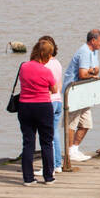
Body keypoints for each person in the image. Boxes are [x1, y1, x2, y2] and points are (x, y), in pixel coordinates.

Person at [17, 39, 58, 185]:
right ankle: (48, 177)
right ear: (45, 55)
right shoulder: (46, 71)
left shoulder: (23, 67)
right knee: (46, 142)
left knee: (28, 143)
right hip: (42, 106)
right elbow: (55, 90)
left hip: (25, 107)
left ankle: (28, 178)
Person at [63, 28, 100, 163]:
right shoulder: (85, 52)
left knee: (86, 123)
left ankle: (75, 148)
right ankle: (69, 152)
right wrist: (92, 72)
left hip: (84, 92)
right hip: (73, 91)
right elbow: (82, 74)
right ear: (93, 41)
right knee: (72, 123)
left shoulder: (94, 51)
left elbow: (96, 69)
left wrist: (91, 71)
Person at [38, 34, 63, 173]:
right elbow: (58, 84)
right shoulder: (57, 63)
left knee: (46, 136)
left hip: (49, 101)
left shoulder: (45, 64)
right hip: (58, 100)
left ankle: (49, 167)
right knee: (55, 133)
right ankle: (58, 164)